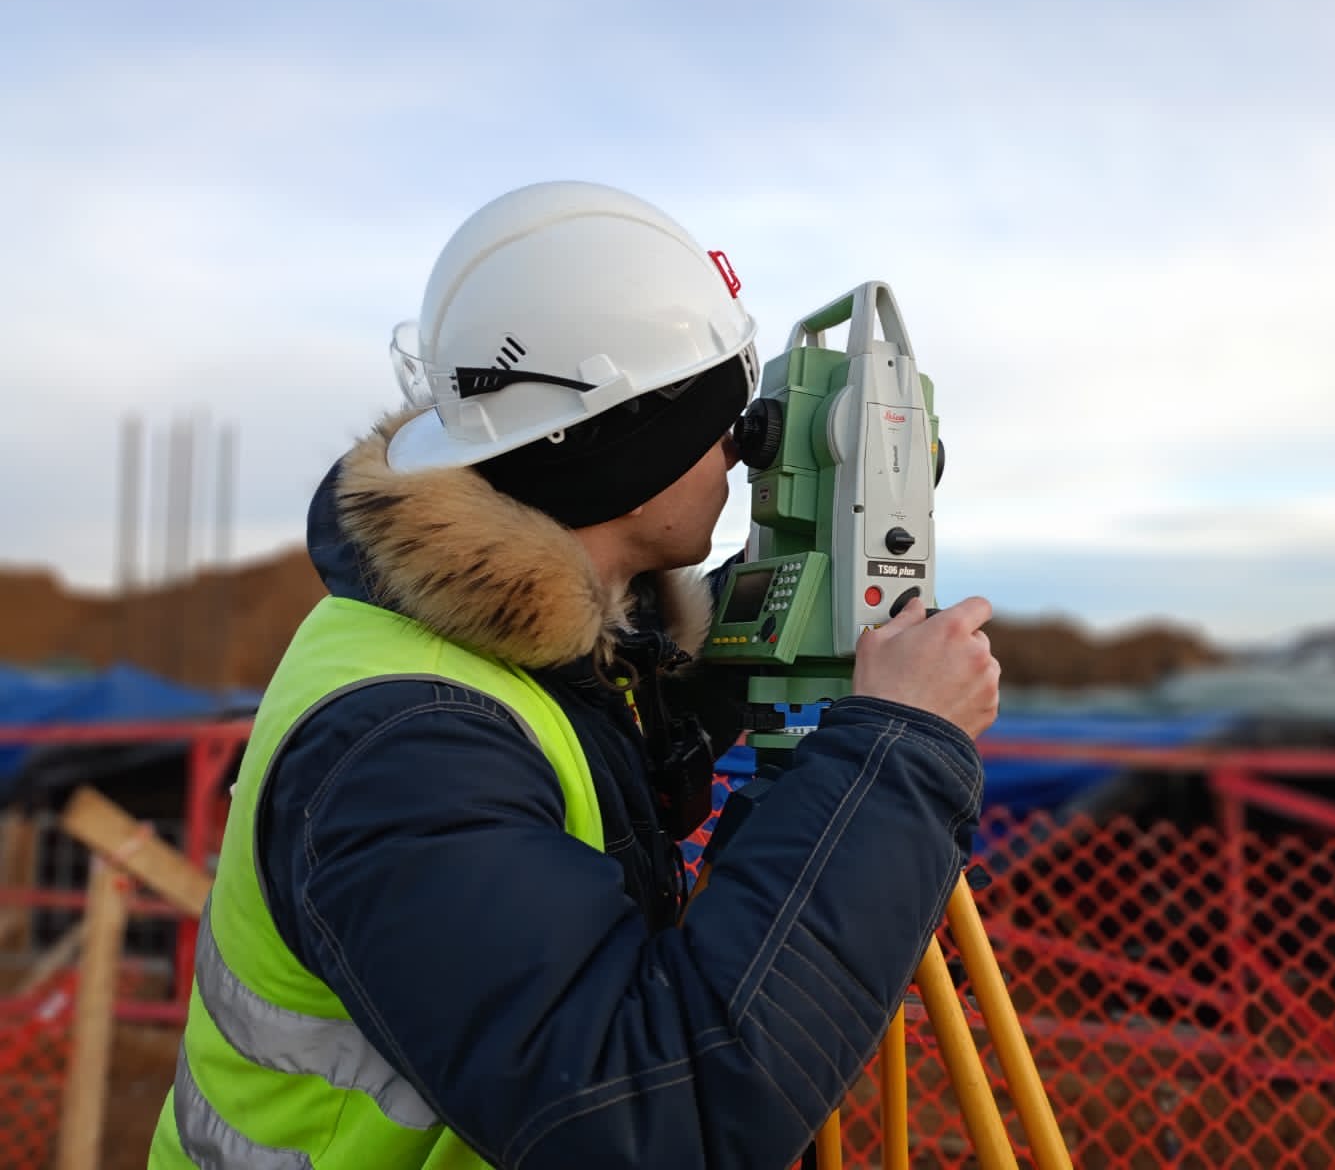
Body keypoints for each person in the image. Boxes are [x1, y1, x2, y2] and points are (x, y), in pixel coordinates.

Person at [147, 181, 1000, 1169]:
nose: (739, 449)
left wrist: (790, 610)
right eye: (719, 417)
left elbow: (615, 731)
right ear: (630, 444)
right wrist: (897, 754)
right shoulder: (407, 748)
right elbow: (654, 1121)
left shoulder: (498, 643)